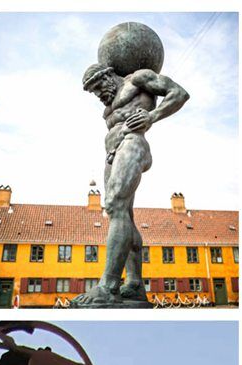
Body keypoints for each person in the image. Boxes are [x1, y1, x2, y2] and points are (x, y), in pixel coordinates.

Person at [70, 64, 188, 307]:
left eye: (98, 86)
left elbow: (179, 93)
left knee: (115, 205)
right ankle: (134, 284)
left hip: (132, 143)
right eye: (93, 91)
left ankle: (108, 286)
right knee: (121, 213)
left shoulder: (138, 79)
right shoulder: (109, 105)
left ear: (108, 75)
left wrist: (152, 116)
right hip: (112, 154)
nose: (98, 94)